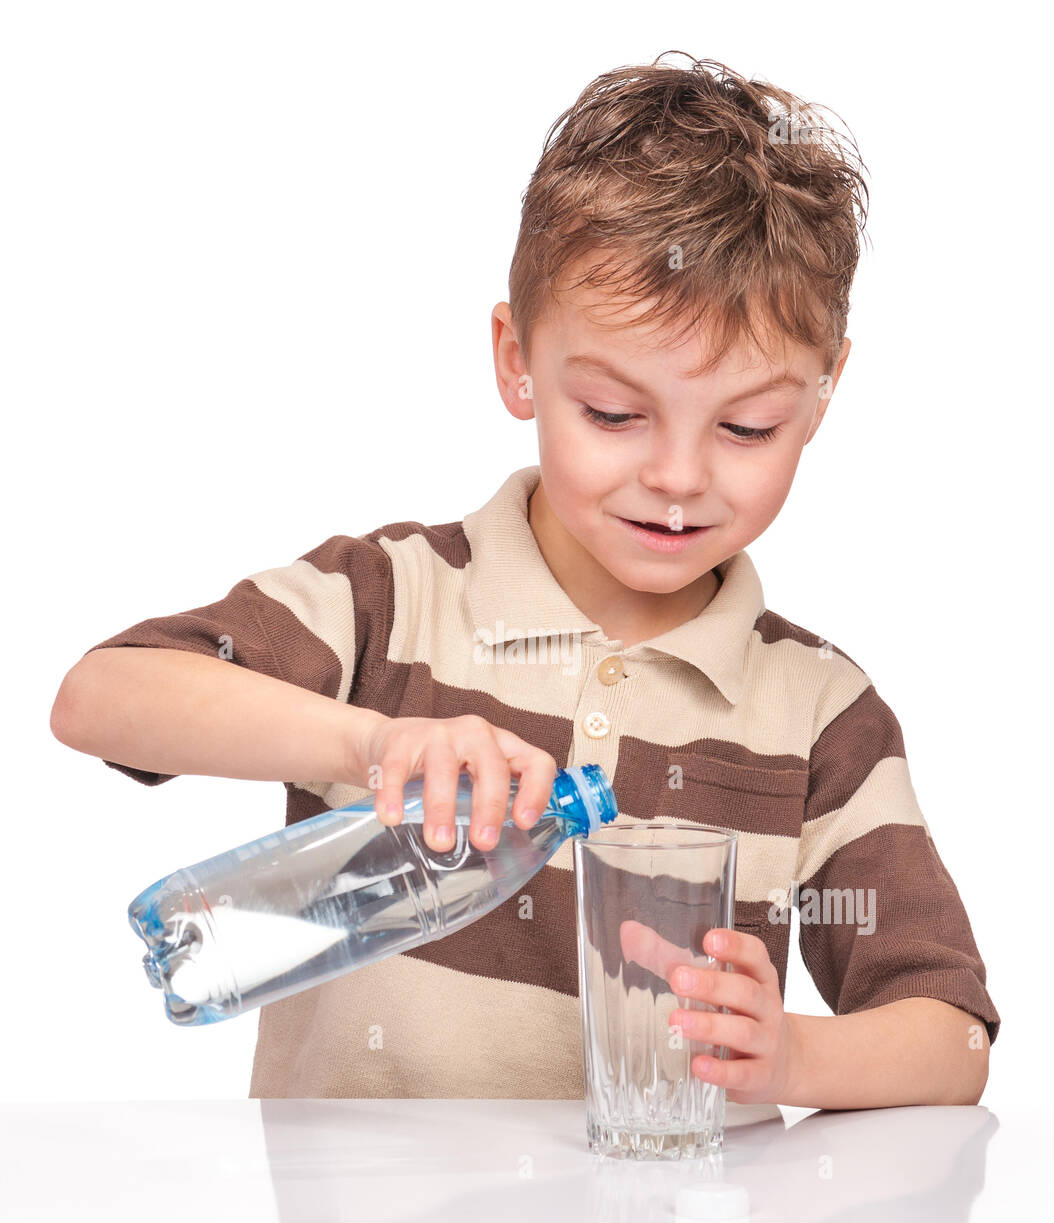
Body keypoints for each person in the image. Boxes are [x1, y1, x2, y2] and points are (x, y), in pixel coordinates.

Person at [50, 53, 998, 1108]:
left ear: (822, 397)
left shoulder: (819, 716)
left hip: (671, 1220)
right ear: (516, 358)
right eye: (613, 413)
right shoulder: (389, 603)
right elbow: (100, 698)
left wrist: (794, 1058)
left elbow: (952, 1037)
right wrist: (371, 745)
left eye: (746, 427)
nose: (677, 477)